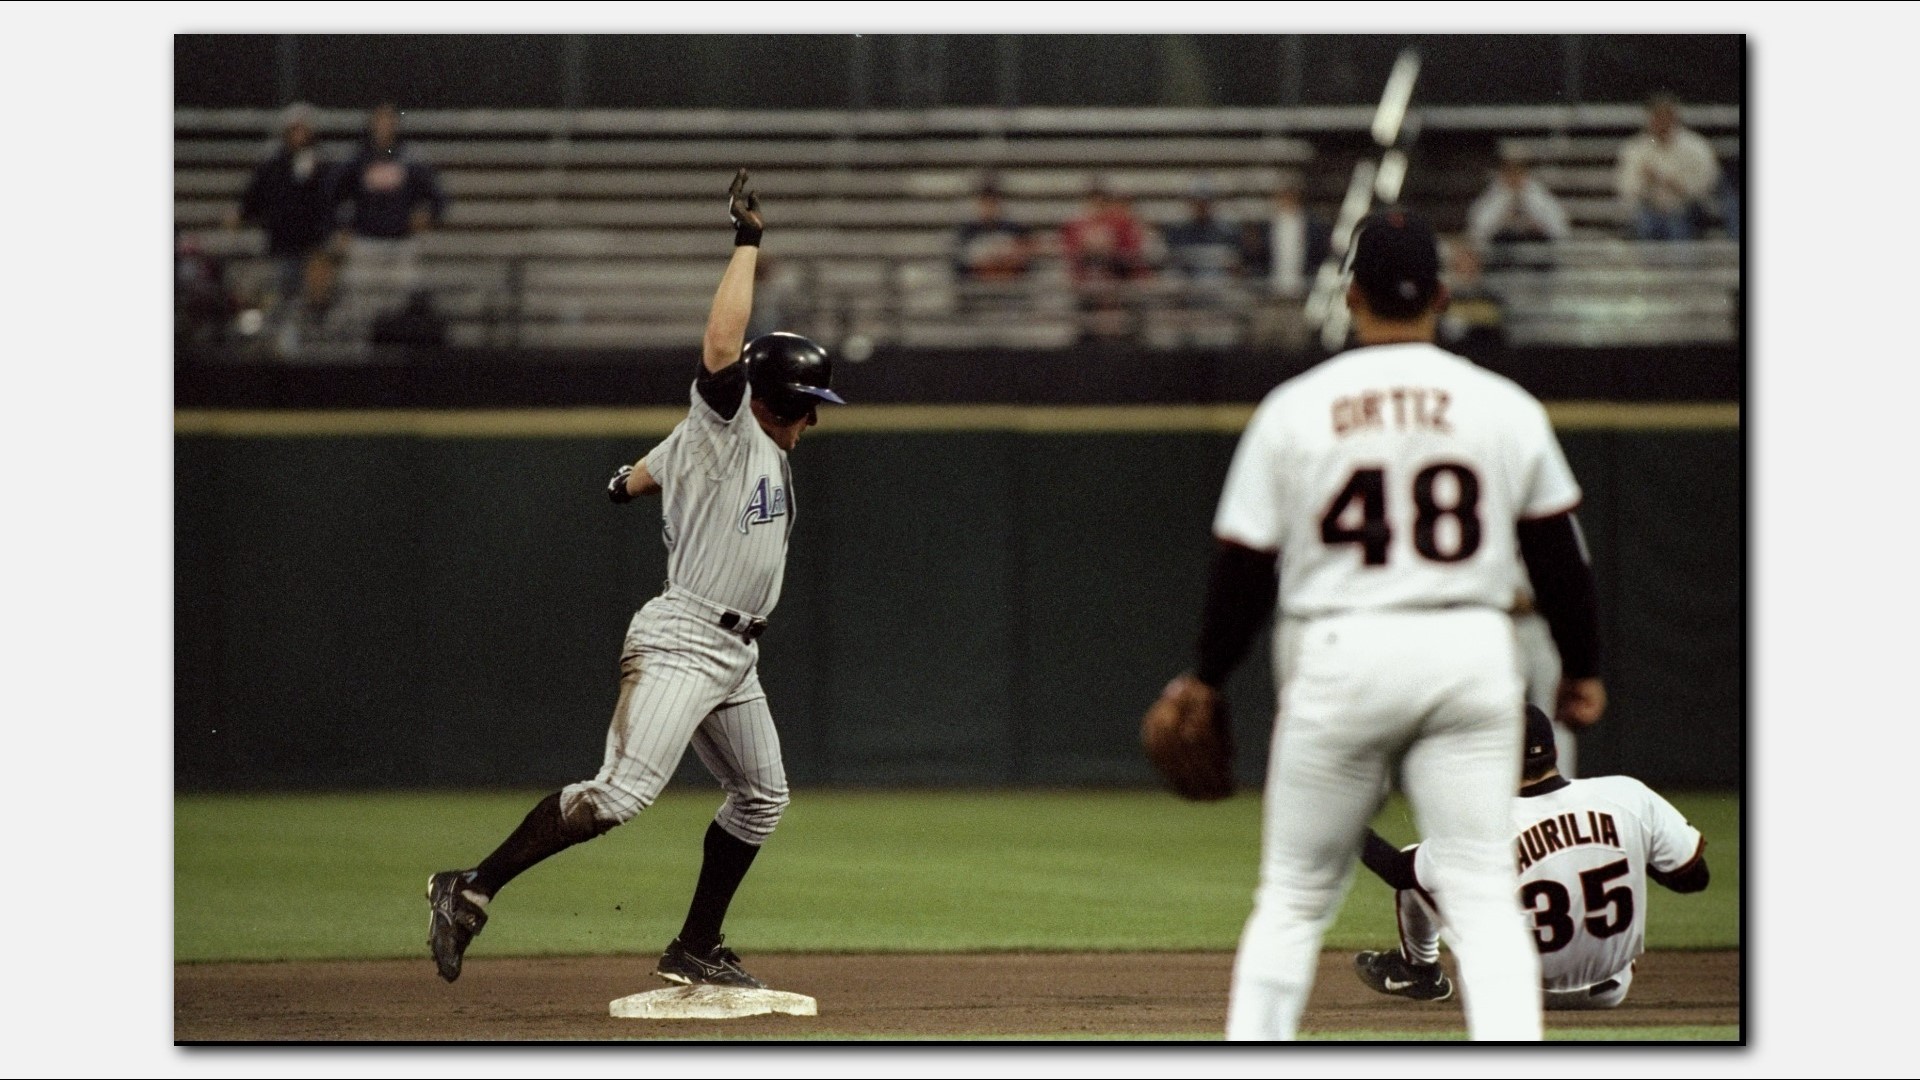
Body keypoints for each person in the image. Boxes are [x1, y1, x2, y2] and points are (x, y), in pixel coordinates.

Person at [1168, 208, 1606, 1041]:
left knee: (1295, 899)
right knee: (1481, 893)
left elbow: (1243, 570)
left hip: (1342, 650)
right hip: (1471, 652)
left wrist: (1206, 677)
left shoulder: (1296, 407)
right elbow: (1560, 558)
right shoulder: (1502, 405)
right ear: (1443, 295)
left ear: (1351, 293)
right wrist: (1583, 670)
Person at [426, 170, 847, 989]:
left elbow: (652, 465)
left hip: (734, 658)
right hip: (686, 639)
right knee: (618, 795)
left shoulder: (719, 441)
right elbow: (723, 353)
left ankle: (694, 946)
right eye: (807, 402)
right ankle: (467, 889)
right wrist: (749, 243)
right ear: (773, 402)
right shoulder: (730, 428)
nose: (816, 417)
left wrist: (627, 484)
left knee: (762, 797)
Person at [1353, 705, 1708, 1010]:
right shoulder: (1626, 794)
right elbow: (1694, 879)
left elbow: (1399, 873)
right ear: (1553, 748)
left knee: (1416, 864)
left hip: (1512, 994)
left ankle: (1419, 972)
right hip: (1611, 992)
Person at [332, 103, 448, 342]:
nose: (384, 126)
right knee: (361, 306)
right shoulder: (359, 158)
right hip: (366, 243)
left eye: (389, 121)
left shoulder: (409, 158)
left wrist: (428, 215)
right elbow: (331, 193)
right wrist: (341, 225)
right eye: (380, 121)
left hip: (401, 243)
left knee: (404, 303)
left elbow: (438, 197)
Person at [229, 102, 338, 355]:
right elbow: (253, 198)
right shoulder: (272, 166)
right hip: (279, 246)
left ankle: (308, 347)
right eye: (294, 129)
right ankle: (276, 347)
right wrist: (241, 214)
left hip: (311, 249)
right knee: (276, 299)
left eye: (303, 129)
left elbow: (329, 203)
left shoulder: (322, 164)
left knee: (308, 302)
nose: (299, 134)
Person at [1059, 182, 1157, 341]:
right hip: (1089, 287)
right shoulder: (1075, 226)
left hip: (1119, 284)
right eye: (1092, 202)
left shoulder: (1121, 225)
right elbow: (1072, 258)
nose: (1096, 207)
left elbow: (1132, 256)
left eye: (1101, 202)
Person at [1615, 95, 1721, 242]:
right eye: (1657, 117)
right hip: (1650, 210)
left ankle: (1682, 261)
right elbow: (1627, 189)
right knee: (1644, 223)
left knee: (1678, 225)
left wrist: (1672, 183)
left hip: (1686, 209)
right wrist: (1646, 183)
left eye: (1666, 116)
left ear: (1675, 118)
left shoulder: (1696, 147)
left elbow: (1706, 185)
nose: (1661, 122)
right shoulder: (1635, 149)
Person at [1465, 153, 1570, 255]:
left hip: (1535, 248)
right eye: (1509, 172)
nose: (1514, 176)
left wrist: (1535, 219)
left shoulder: (1538, 195)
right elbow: (1478, 228)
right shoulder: (1492, 196)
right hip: (1502, 250)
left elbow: (1559, 227)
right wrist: (1505, 208)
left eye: (1518, 171)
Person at [952, 184, 1033, 284]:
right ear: (979, 205)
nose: (989, 208)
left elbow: (1027, 261)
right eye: (986, 204)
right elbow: (960, 264)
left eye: (992, 203)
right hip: (977, 287)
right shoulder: (967, 232)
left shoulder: (1016, 230)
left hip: (1011, 286)